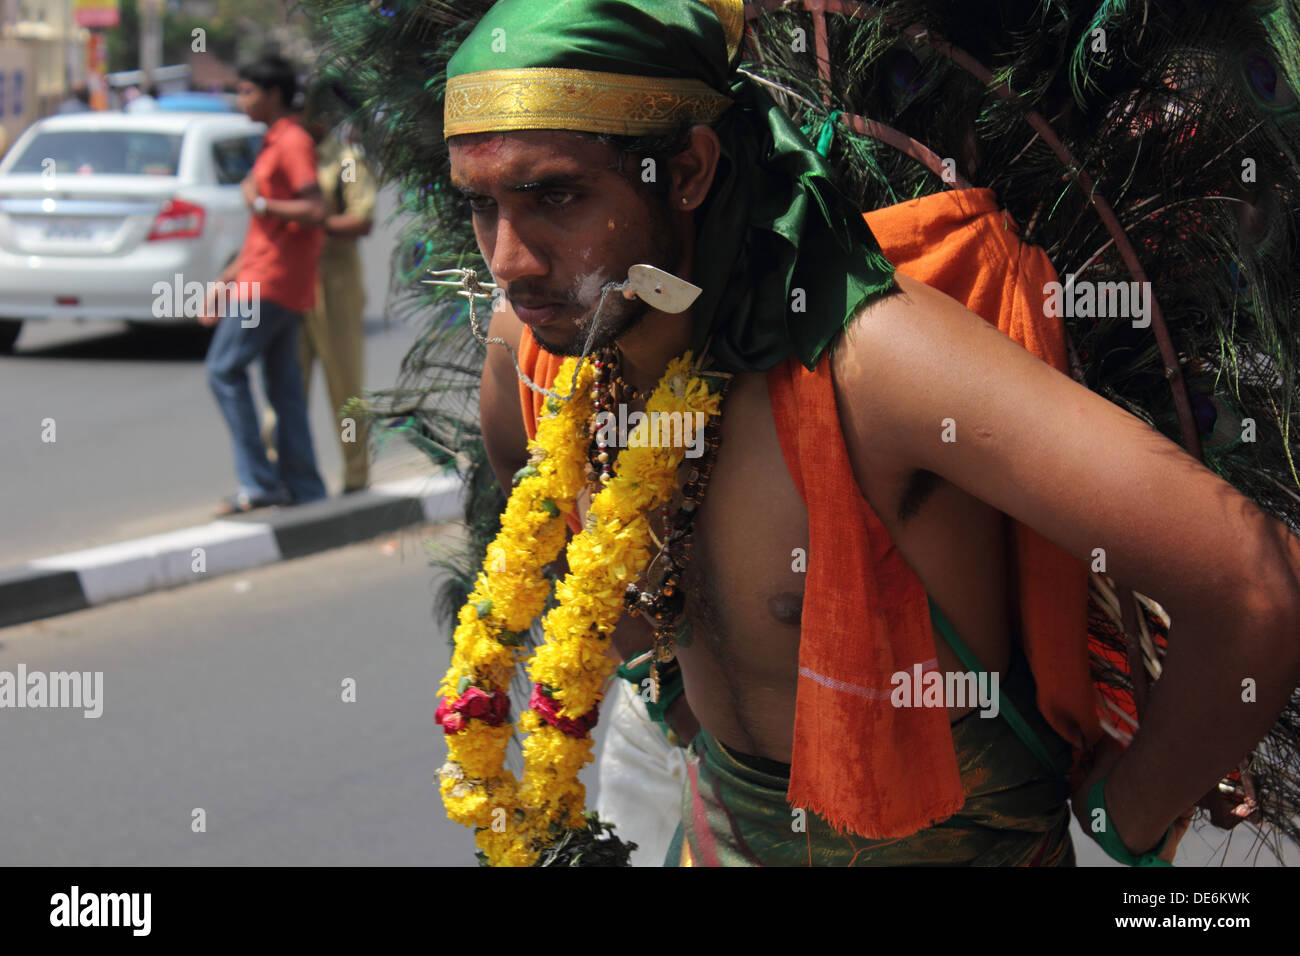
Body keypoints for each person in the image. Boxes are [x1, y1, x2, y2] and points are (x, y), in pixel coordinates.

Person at [445, 0, 1300, 866]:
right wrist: (659, 680)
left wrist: (1129, 816)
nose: (509, 261)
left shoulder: (875, 361)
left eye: (556, 196)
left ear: (690, 170)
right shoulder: (540, 351)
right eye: (481, 208)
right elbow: (528, 485)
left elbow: (1252, 591)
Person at [202, 55, 328, 516]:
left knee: (223, 370)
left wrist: (263, 204)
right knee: (283, 386)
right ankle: (305, 487)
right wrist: (226, 278)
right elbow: (263, 232)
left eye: (248, 92)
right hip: (269, 276)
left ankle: (260, 483)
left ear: (274, 95)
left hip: (272, 283)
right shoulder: (273, 140)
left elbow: (315, 210)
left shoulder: (291, 142)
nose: (241, 100)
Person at [262, 92, 378, 494]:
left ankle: (356, 474)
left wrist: (313, 224)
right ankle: (278, 473)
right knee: (284, 381)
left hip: (335, 281)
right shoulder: (290, 154)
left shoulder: (345, 161)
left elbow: (362, 220)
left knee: (343, 386)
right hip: (292, 280)